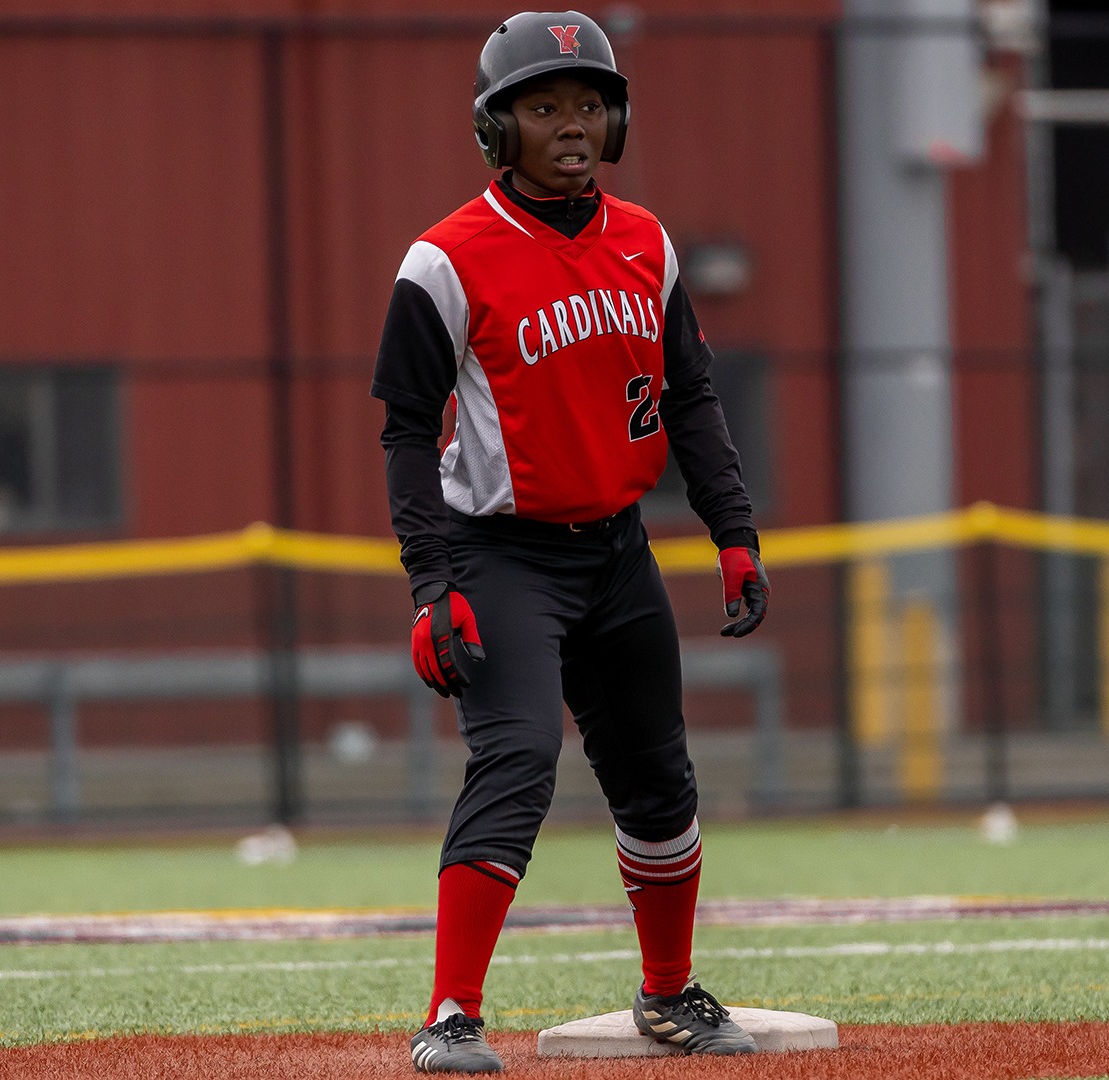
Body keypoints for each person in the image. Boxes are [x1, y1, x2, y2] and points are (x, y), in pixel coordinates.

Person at [371, 10, 770, 1073]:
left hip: (618, 550)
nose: (571, 124)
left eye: (588, 102)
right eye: (541, 106)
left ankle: (666, 993)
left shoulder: (646, 241)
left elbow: (690, 397)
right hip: (499, 553)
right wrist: (429, 582)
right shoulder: (444, 260)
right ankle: (450, 1015)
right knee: (515, 760)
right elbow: (405, 431)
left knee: (658, 779)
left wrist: (732, 533)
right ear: (494, 128)